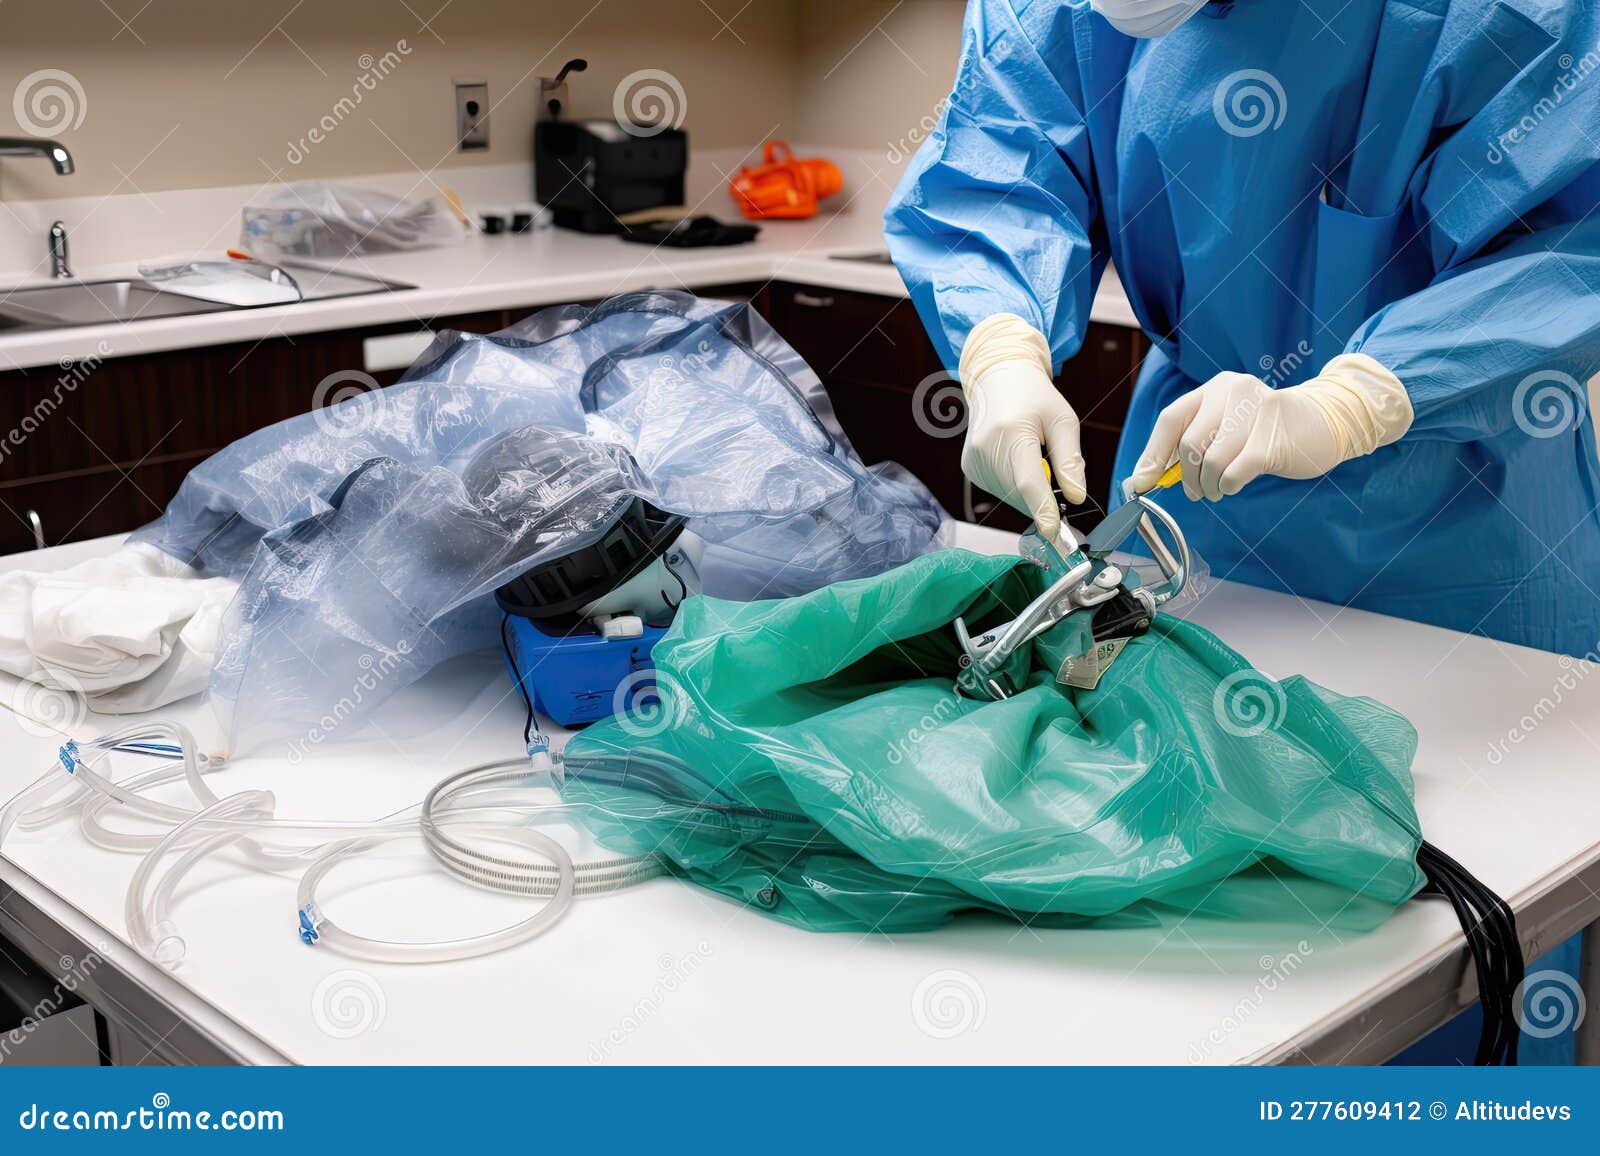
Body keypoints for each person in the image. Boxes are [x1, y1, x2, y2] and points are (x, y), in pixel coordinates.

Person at [886, 0, 1600, 1064]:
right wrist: (998, 344)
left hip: (1461, 533)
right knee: (1184, 964)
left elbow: (1567, 243)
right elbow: (1000, 155)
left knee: (1424, 970)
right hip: (1190, 505)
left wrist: (1354, 398)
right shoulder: (1062, 12)